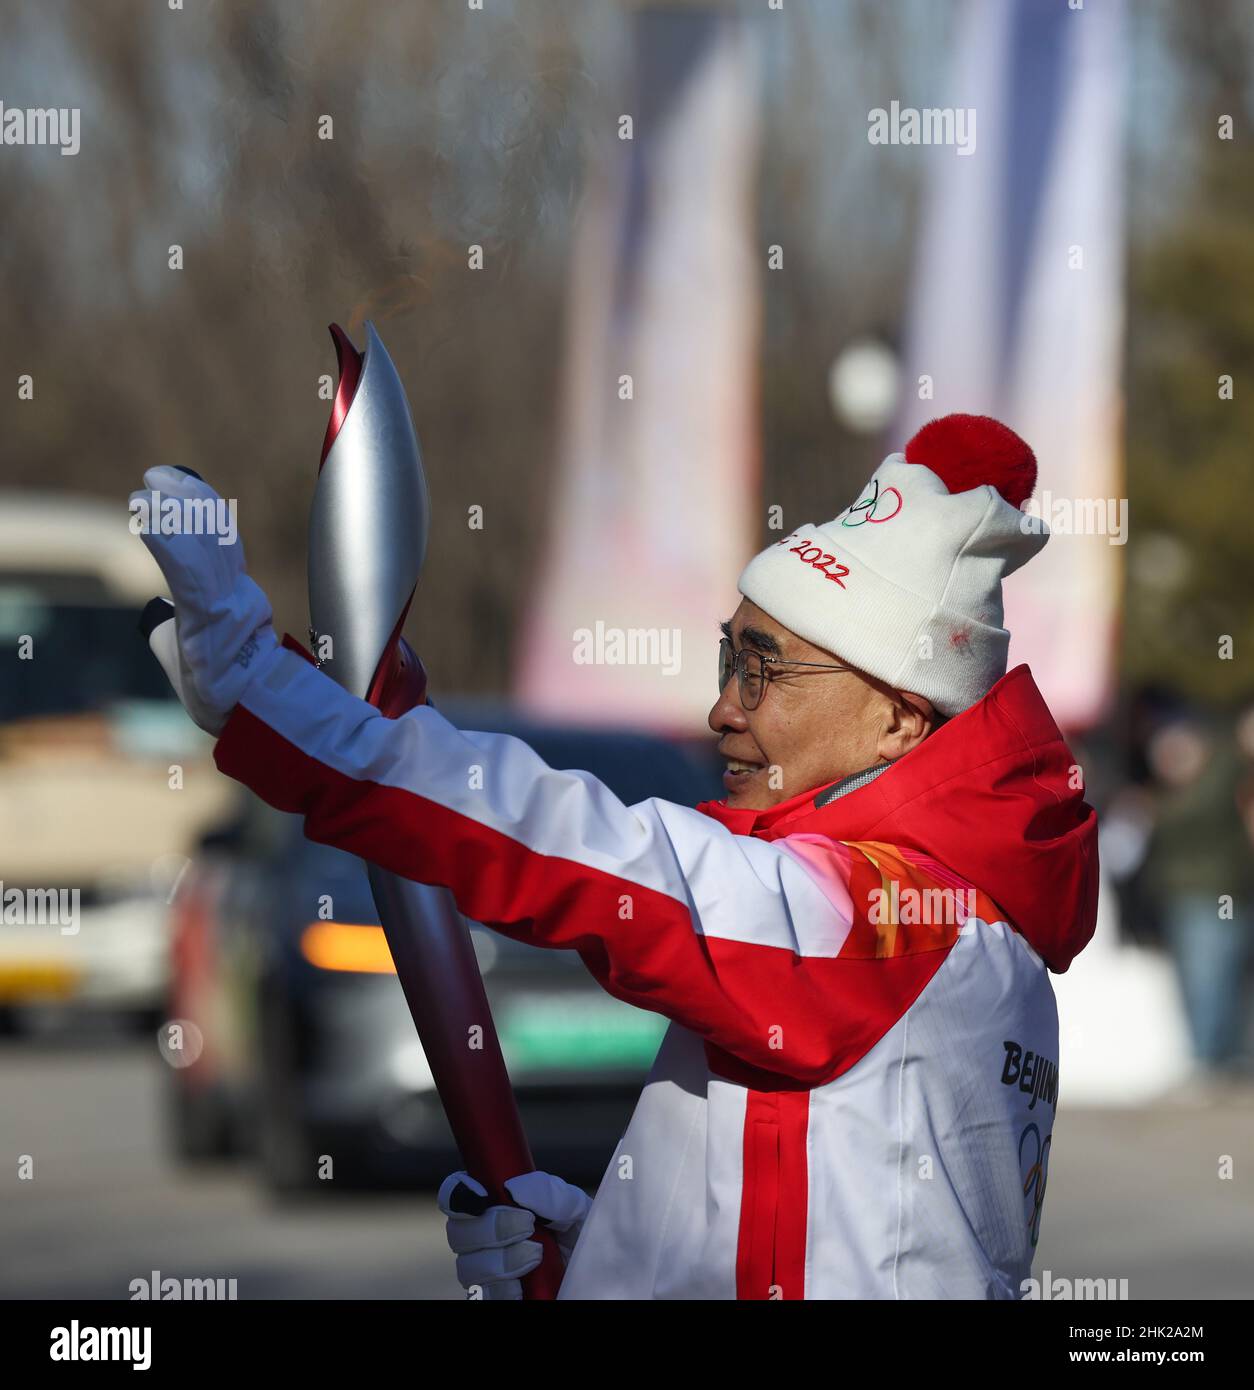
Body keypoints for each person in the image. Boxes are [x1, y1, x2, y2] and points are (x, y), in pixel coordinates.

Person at [132, 412, 1098, 1300]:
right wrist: (598, 1259)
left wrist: (267, 699)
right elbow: (835, 1232)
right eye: (730, 659)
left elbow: (574, 853)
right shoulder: (949, 937)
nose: (725, 707)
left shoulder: (892, 924)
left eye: (765, 670)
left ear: (895, 717)